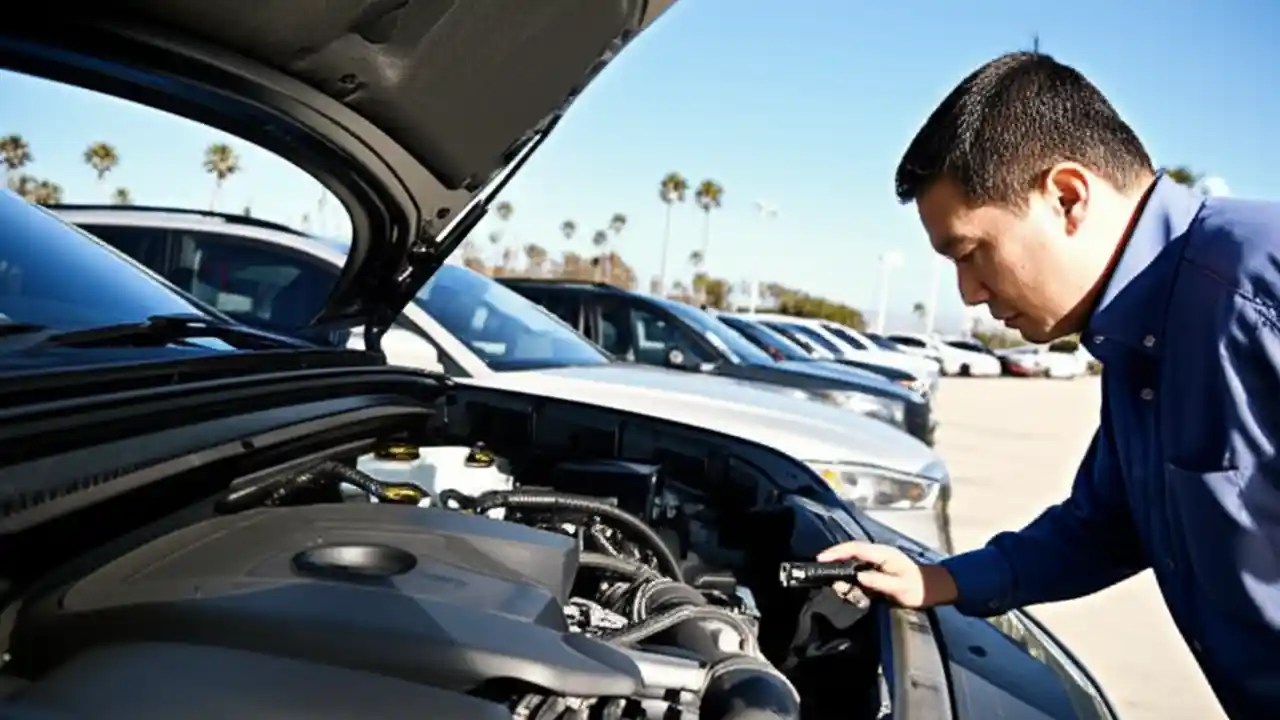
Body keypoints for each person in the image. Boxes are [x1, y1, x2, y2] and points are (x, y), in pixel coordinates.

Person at [819, 51, 1280, 719]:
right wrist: (940, 579)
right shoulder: (1136, 342)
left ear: (1067, 197)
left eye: (972, 253)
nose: (969, 294)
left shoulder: (1255, 284)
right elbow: (1106, 525)